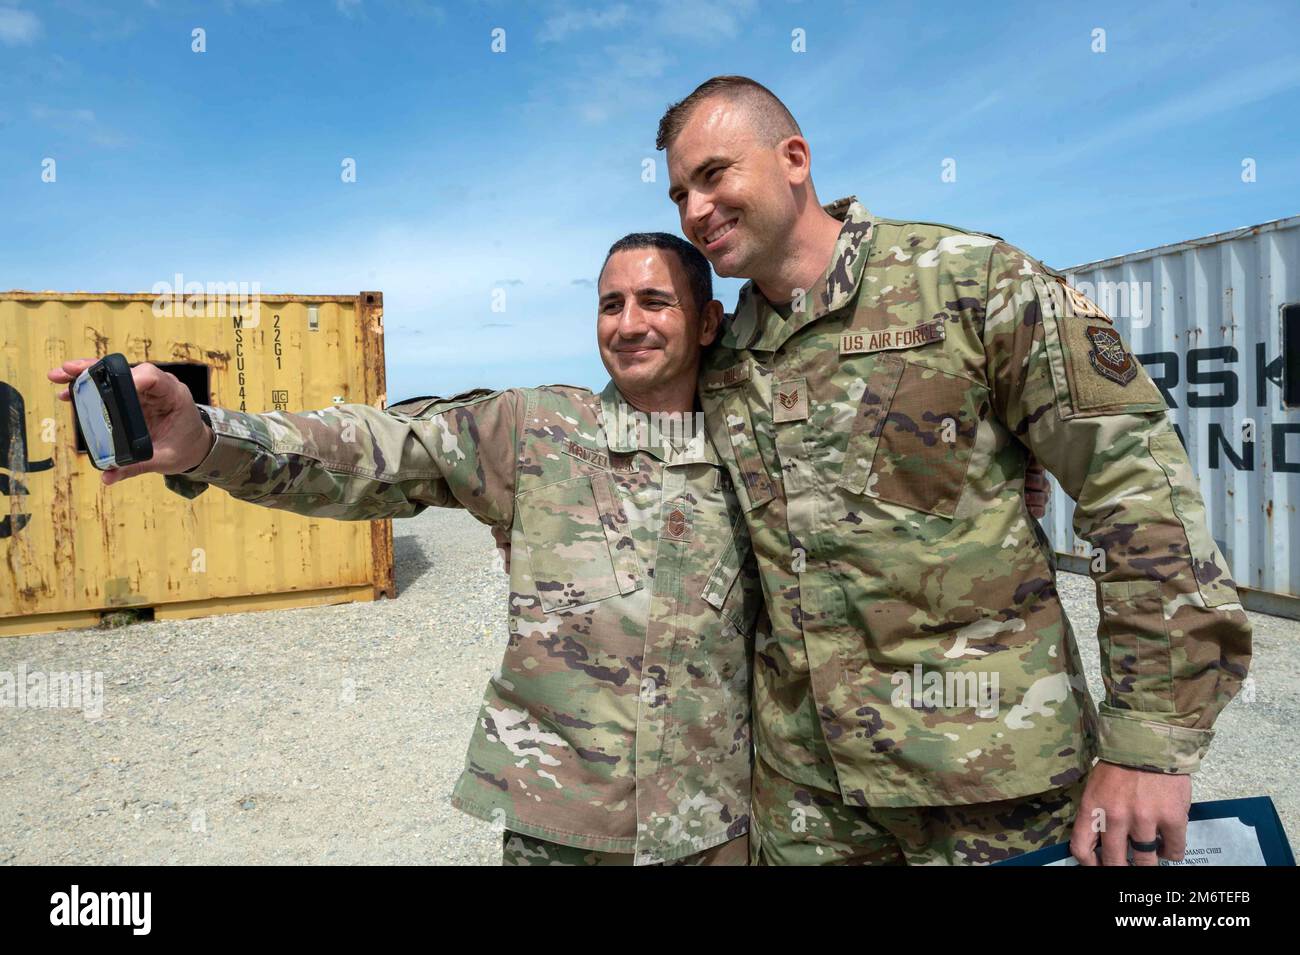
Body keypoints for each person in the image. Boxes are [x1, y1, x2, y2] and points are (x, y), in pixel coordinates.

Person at [657, 75, 1253, 866]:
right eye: (677, 194)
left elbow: (1134, 487)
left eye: (713, 174)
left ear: (793, 158)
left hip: (995, 788)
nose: (696, 210)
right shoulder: (727, 358)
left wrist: (1149, 740)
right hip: (811, 804)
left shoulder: (968, 283)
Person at [49, 233, 763, 866]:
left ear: (707, 321)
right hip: (564, 830)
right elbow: (374, 449)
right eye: (611, 304)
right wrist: (207, 439)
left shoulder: (759, 452)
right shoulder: (535, 430)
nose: (629, 323)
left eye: (654, 301)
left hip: (716, 828)